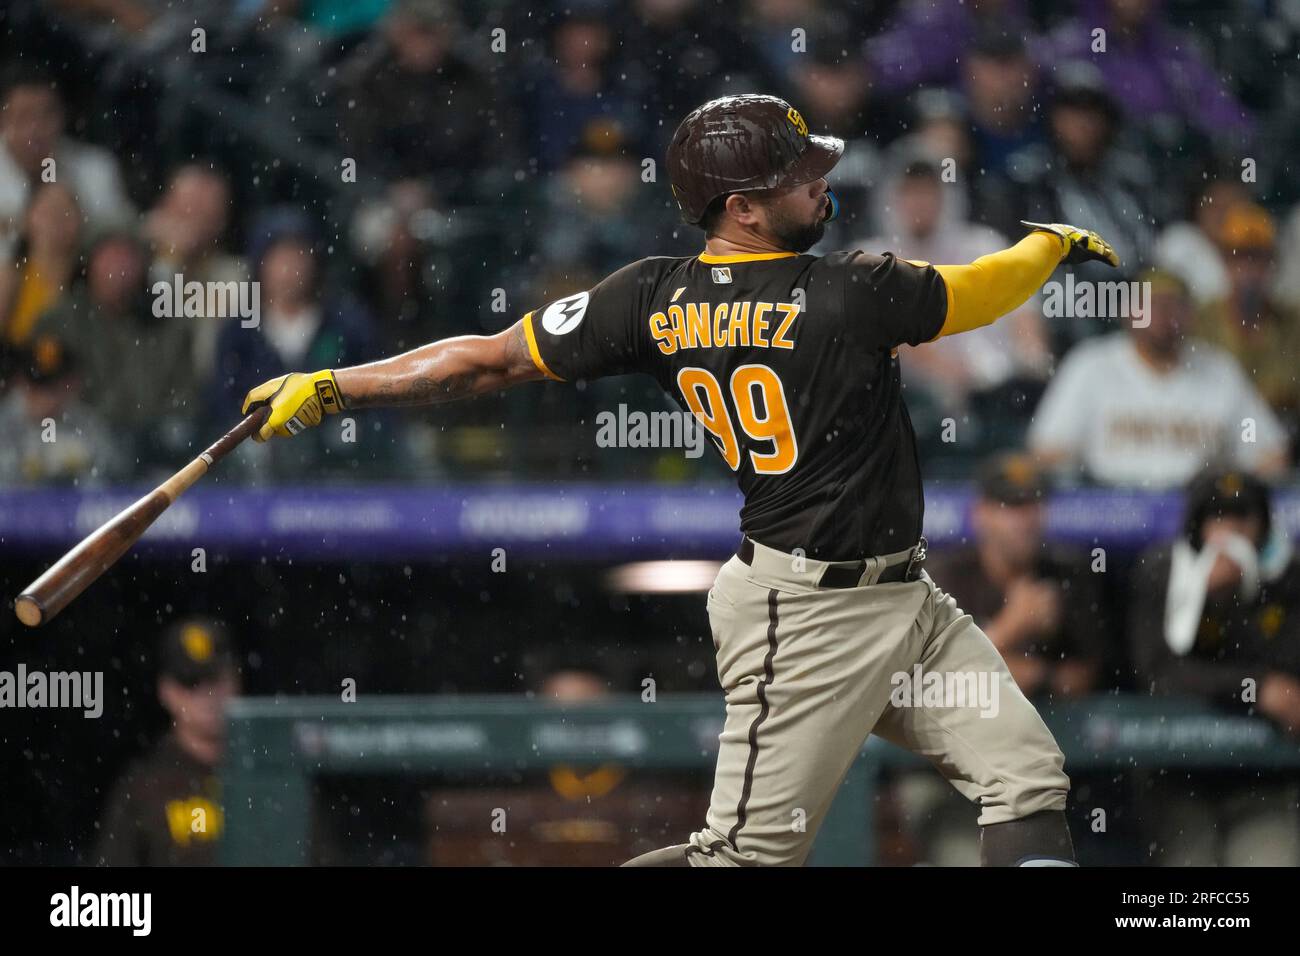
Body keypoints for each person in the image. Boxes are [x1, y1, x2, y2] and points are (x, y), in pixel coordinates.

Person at [236, 94, 1121, 867]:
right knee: (742, 859)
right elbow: (979, 291)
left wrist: (334, 386)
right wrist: (1047, 246)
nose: (821, 181)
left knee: (1025, 776)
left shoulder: (652, 298)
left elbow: (485, 361)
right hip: (803, 615)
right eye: (797, 175)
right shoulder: (855, 291)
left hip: (908, 604)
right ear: (741, 208)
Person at [1128, 469, 1300, 865]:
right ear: (1196, 525)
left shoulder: (1287, 578)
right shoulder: (1161, 572)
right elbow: (1158, 674)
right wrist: (1205, 601)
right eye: (1217, 518)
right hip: (1178, 772)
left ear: (1263, 523)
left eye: (1243, 518)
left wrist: (1238, 603)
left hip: (1264, 775)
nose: (1231, 532)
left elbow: (1289, 675)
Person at [1029, 268, 1288, 486]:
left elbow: (1266, 452)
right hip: (1112, 507)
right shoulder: (1091, 365)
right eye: (1152, 305)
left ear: (1191, 315)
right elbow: (1049, 450)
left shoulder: (1219, 371)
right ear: (1129, 312)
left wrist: (1240, 475)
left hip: (1197, 510)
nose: (1164, 316)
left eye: (1174, 306)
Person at [926, 454, 1111, 699]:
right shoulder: (945, 576)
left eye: (1033, 504)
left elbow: (1087, 677)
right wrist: (1011, 626)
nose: (1025, 521)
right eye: (1011, 506)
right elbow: (936, 675)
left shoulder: (1070, 574)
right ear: (980, 513)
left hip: (1053, 727)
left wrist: (1035, 677)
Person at [93, 619, 240, 866]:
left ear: (236, 681)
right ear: (166, 690)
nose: (207, 696)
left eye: (215, 680)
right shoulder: (144, 786)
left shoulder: (271, 773)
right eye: (190, 683)